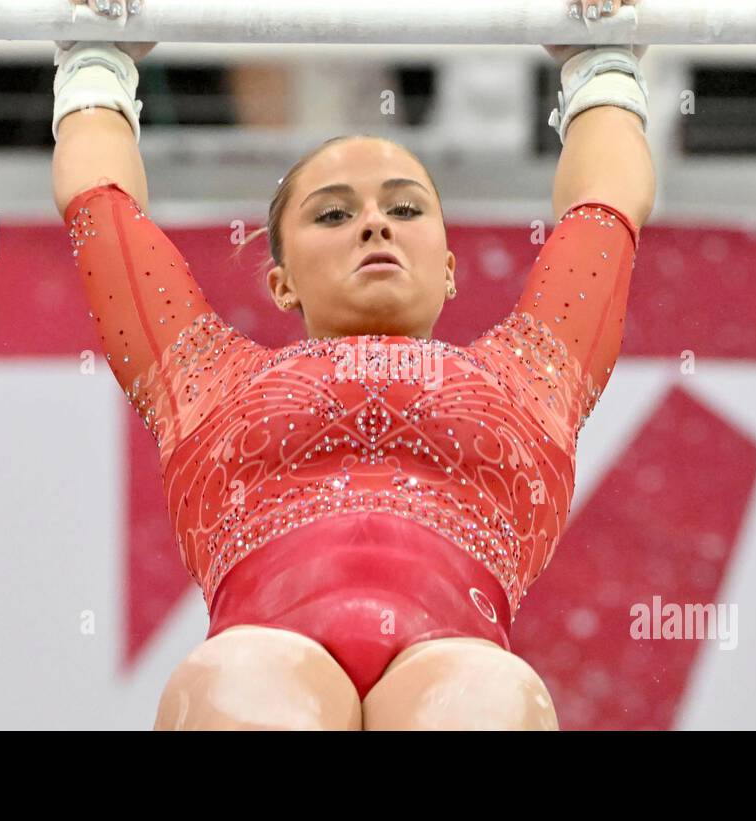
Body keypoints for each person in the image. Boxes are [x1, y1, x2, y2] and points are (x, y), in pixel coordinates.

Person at [52, 0, 653, 729]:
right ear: (281, 281)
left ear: (450, 267)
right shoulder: (203, 379)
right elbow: (102, 209)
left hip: (459, 666)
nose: (374, 222)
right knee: (233, 685)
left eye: (405, 209)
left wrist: (602, 62)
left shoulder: (533, 377)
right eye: (333, 214)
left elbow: (604, 209)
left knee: (492, 697)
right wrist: (94, 60)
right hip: (263, 657)